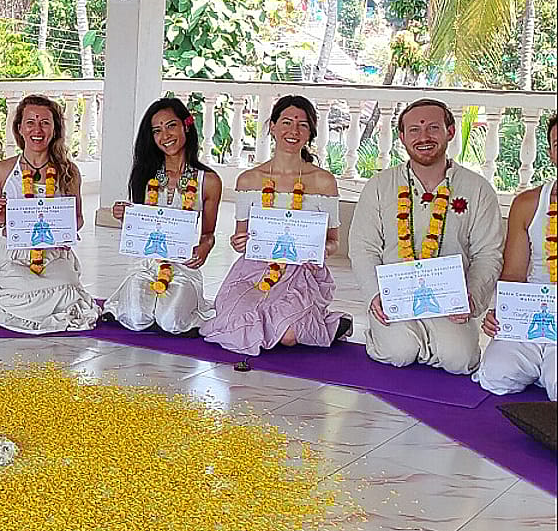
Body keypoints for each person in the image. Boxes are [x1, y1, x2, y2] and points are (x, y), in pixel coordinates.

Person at [351, 98, 503, 374]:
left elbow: (487, 254)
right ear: (402, 137)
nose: (423, 137)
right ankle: (405, 339)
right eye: (414, 130)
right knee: (399, 353)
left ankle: (432, 341)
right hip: (395, 296)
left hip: (450, 298)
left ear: (450, 132)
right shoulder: (379, 186)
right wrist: (375, 294)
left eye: (433, 128)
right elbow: (363, 248)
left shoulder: (477, 188)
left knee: (460, 361)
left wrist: (471, 297)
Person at [201, 95, 349, 355]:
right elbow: (240, 238)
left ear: (310, 133)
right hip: (254, 269)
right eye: (287, 122)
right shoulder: (249, 180)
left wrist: (324, 250)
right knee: (235, 322)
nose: (293, 131)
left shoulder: (323, 182)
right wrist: (239, 242)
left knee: (289, 336)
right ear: (272, 126)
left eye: (302, 125)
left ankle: (328, 324)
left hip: (302, 271)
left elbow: (334, 241)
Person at [0, 95, 99, 333]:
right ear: (19, 128)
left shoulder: (68, 171)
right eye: (30, 122)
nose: (37, 129)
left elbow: (78, 218)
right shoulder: (2, 170)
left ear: (55, 129)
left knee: (66, 286)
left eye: (45, 122)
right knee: (19, 291)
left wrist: (66, 231)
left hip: (53, 252)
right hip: (14, 252)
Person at [103, 97, 222, 334]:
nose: (165, 135)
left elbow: (208, 234)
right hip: (146, 262)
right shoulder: (145, 175)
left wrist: (204, 248)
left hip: (182, 263)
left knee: (171, 321)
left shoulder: (208, 181)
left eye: (171, 126)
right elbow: (141, 224)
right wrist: (125, 214)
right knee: (136, 318)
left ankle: (180, 305)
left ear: (186, 125)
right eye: (157, 130)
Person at [474, 114, 557, 399]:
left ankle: (548, 370)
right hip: (530, 317)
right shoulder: (529, 203)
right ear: (550, 152)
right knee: (496, 375)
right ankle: (543, 367)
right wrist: (502, 313)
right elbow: (513, 275)